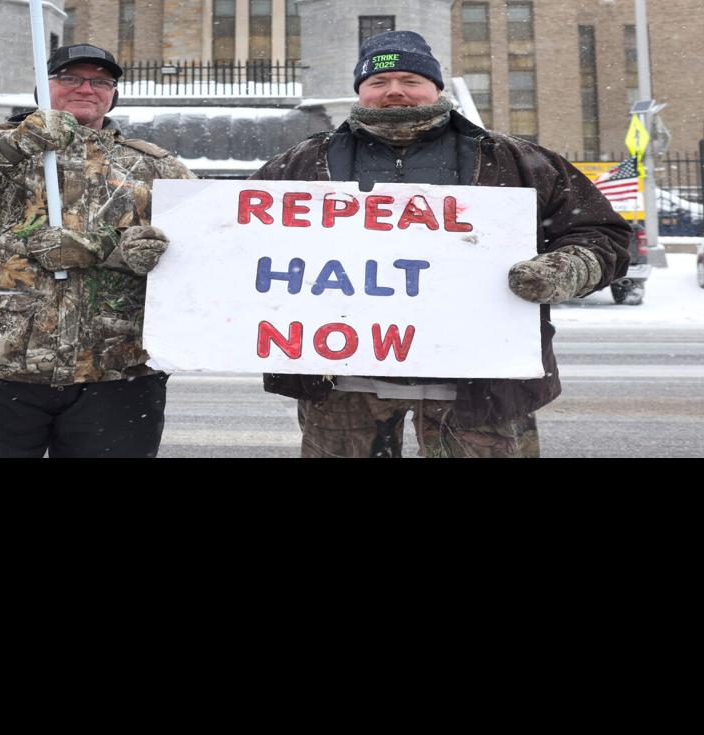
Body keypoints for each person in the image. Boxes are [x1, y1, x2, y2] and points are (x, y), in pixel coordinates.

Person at [249, 30, 631, 458]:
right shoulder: (302, 162)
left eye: (410, 80)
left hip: (482, 381)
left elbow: (602, 234)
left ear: (435, 87)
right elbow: (231, 239)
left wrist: (567, 268)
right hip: (341, 381)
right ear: (361, 90)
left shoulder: (511, 159)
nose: (395, 91)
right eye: (378, 82)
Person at [0, 43, 195, 458]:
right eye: (71, 78)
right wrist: (17, 145)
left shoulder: (154, 166)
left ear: (113, 93)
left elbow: (208, 247)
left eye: (100, 81)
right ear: (43, 88)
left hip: (116, 373)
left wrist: (114, 249)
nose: (86, 88)